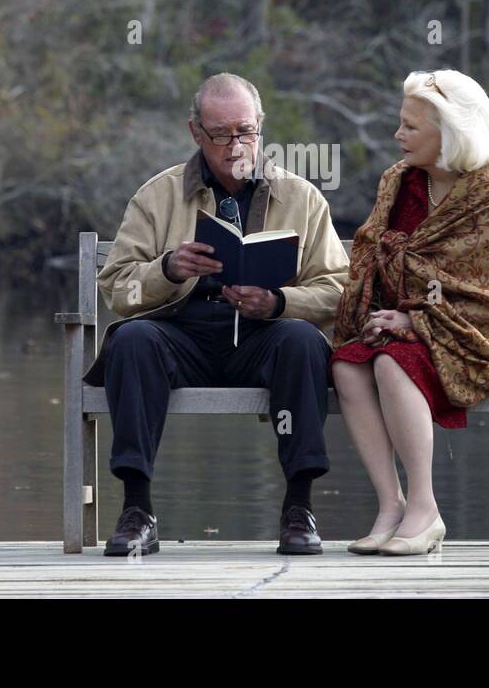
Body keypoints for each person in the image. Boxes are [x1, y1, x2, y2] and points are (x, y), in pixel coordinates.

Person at [84, 72, 349, 556]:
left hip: (262, 335)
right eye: (220, 133)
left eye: (245, 131)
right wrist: (167, 268)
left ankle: (299, 509)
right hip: (180, 336)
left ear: (260, 128)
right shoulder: (158, 195)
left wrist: (279, 302)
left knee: (303, 341)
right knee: (131, 340)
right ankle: (137, 509)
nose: (235, 145)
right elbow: (116, 287)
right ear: (195, 133)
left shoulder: (301, 197)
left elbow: (339, 288)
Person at [330, 69, 489, 555]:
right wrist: (384, 312)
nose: (397, 136)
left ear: (449, 134)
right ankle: (391, 505)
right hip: (404, 327)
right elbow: (372, 253)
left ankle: (425, 510)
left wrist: (415, 320)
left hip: (482, 338)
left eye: (410, 127)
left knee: (391, 360)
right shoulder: (398, 183)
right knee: (347, 363)